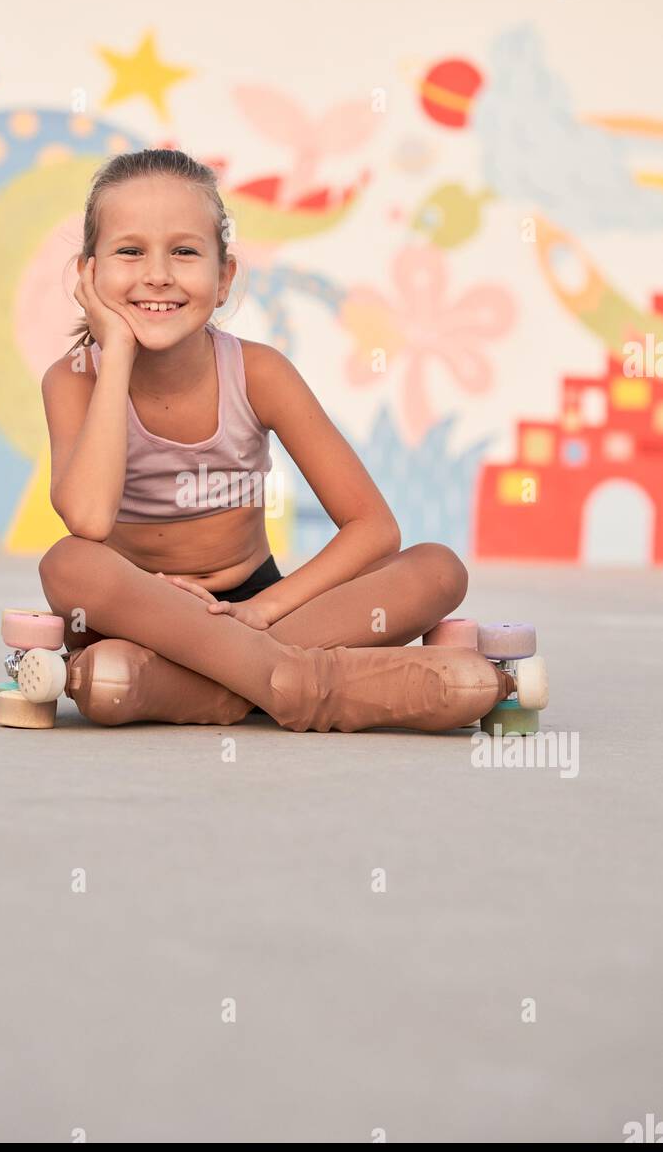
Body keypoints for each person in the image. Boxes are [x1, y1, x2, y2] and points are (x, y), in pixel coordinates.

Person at [37, 148, 513, 731]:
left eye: (184, 252)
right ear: (88, 274)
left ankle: (203, 685)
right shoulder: (74, 379)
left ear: (224, 278)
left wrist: (262, 610)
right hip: (139, 612)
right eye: (129, 251)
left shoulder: (259, 373)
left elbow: (373, 527)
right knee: (68, 564)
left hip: (259, 606)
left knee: (438, 569)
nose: (157, 274)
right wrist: (116, 356)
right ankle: (307, 685)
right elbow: (87, 520)